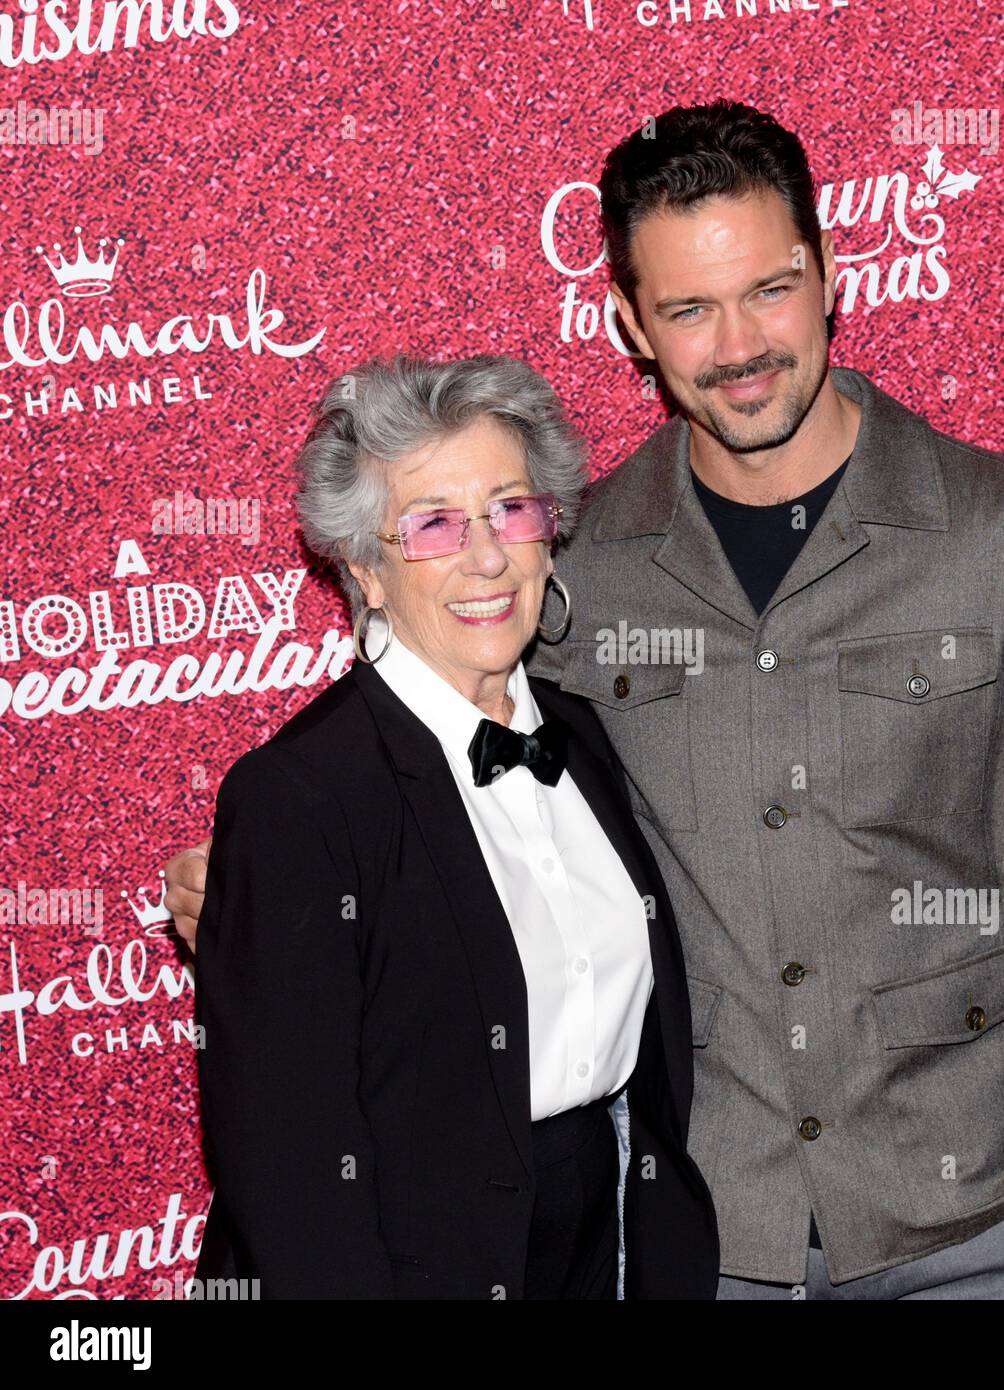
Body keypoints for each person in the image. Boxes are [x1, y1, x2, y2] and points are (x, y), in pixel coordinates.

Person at [170, 100, 1004, 1300]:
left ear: (829, 274)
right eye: (690, 309)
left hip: (991, 1219)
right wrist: (271, 875)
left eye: (768, 289)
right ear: (629, 325)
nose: (739, 344)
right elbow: (436, 739)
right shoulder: (576, 559)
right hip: (710, 1237)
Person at [189, 351, 719, 1299]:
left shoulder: (585, 739)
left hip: (603, 1249)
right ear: (366, 570)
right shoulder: (300, 799)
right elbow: (291, 1174)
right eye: (433, 524)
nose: (487, 557)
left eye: (511, 509)